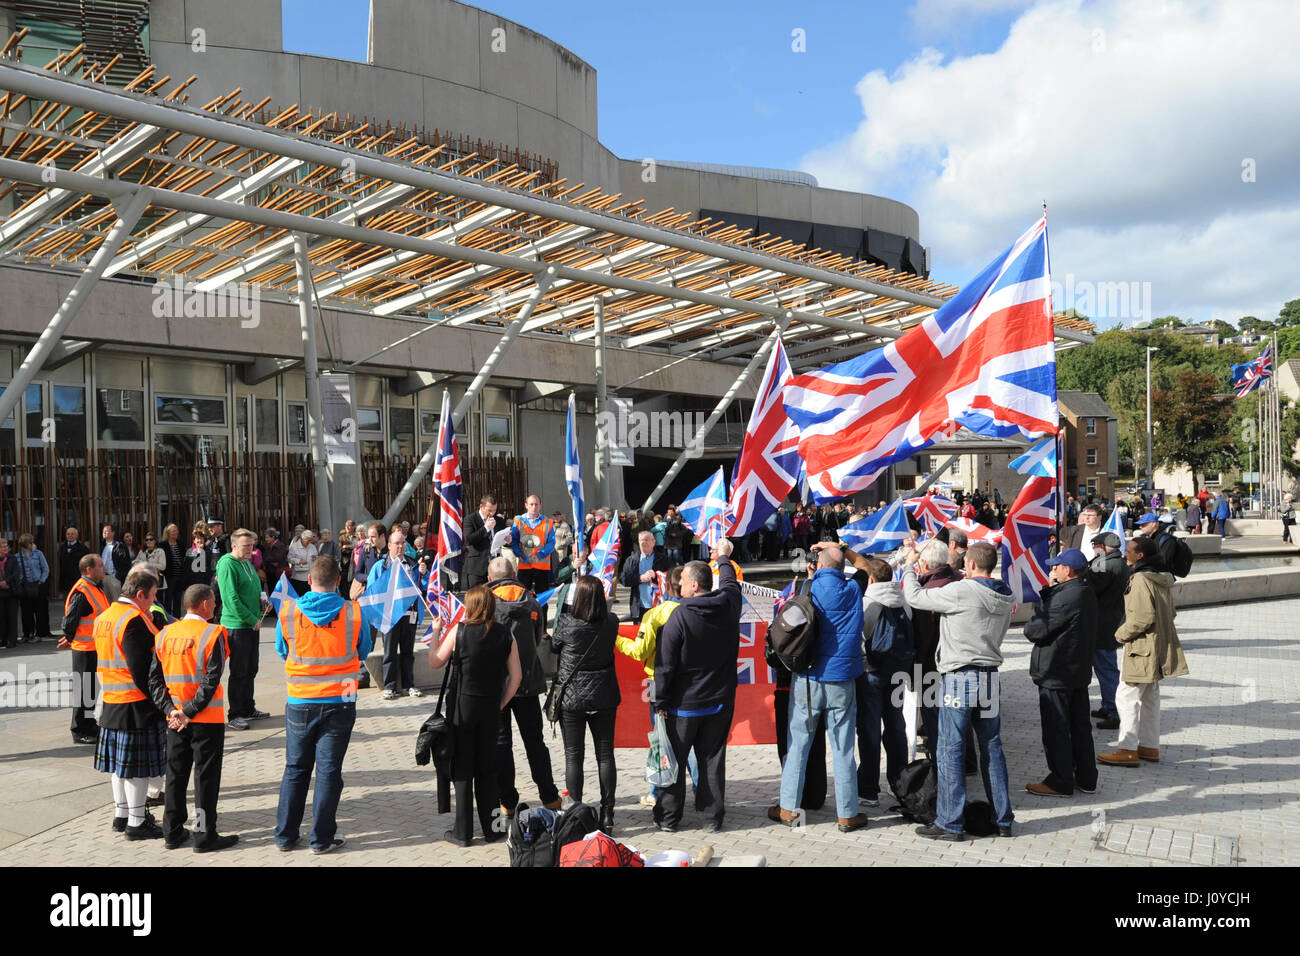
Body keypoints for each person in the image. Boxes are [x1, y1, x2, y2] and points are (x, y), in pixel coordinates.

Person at [902, 541, 1015, 841]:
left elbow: (915, 596)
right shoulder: (1004, 594)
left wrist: (909, 566)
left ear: (973, 566)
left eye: (965, 564)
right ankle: (1003, 818)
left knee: (950, 749)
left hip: (961, 677)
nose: (962, 568)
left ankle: (950, 823)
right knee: (992, 748)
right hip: (990, 677)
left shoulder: (963, 590)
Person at [768, 544, 870, 833]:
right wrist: (843, 549)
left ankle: (789, 809)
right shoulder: (853, 589)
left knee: (798, 744)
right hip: (843, 681)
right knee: (843, 748)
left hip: (810, 680)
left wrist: (817, 569)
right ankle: (847, 814)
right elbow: (865, 568)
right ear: (841, 568)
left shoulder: (809, 589)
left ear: (818, 564)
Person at [274, 555, 369, 854]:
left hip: (300, 700)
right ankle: (321, 839)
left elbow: (280, 650)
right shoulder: (353, 612)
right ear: (338, 581)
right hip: (340, 701)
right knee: (328, 772)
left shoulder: (288, 611)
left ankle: (286, 836)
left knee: (295, 769)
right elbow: (364, 649)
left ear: (310, 580)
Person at [652, 558, 741, 833]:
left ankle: (668, 818)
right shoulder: (727, 605)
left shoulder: (679, 616)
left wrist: (661, 702)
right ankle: (713, 817)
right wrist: (724, 558)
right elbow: (730, 584)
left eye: (682, 580)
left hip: (684, 707)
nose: (678, 584)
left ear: (694, 584)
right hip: (719, 702)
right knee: (713, 760)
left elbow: (665, 666)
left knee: (674, 762)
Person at [147, 584, 239, 852]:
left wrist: (171, 711)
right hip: (205, 719)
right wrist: (188, 711)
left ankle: (173, 832)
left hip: (174, 720)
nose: (215, 606)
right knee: (205, 779)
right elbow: (212, 680)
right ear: (204, 604)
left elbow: (154, 679)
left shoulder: (164, 634)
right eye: (213, 602)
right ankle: (203, 835)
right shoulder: (213, 633)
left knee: (175, 775)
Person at [428, 585, 522, 846]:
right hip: (490, 707)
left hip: (462, 706)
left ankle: (463, 833)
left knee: (462, 768)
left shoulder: (459, 631)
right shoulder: (506, 635)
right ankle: (493, 829)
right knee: (488, 769)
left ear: (470, 607)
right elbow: (516, 677)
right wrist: (500, 703)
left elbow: (435, 661)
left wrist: (436, 632)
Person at [1098, 536, 1189, 768]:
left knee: (1127, 697)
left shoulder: (1139, 579)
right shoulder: (1162, 577)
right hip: (1158, 645)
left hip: (1142, 648)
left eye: (1129, 550)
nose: (1125, 553)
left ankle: (1127, 749)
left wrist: (1119, 635)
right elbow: (1170, 613)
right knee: (1150, 698)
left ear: (1140, 556)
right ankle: (1149, 746)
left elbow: (1141, 618)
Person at [93, 566, 167, 840]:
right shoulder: (133, 620)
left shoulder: (107, 616)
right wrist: (160, 701)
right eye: (153, 595)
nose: (154, 601)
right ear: (140, 594)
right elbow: (141, 669)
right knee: (136, 768)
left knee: (119, 766)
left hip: (111, 697)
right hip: (135, 701)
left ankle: (121, 814)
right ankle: (137, 822)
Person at [484, 556, 561, 814]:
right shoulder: (531, 599)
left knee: (502, 743)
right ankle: (549, 796)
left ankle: (507, 800)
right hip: (528, 680)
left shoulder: (485, 602)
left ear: (489, 578)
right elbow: (538, 634)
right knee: (534, 741)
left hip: (498, 684)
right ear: (514, 574)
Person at [1022, 549, 1099, 798]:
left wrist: (1046, 595)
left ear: (1067, 571)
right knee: (1079, 727)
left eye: (1056, 567)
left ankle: (1060, 780)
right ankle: (1086, 777)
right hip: (1076, 670)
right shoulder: (1085, 590)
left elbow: (1035, 630)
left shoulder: (1066, 597)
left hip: (1057, 671)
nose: (1052, 570)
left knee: (1057, 728)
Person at [549, 574, 622, 833]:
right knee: (605, 755)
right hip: (603, 695)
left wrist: (567, 610)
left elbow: (554, 646)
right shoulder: (611, 622)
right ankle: (608, 813)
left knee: (573, 756)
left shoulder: (568, 623)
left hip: (573, 698)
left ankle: (576, 814)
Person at [857, 556, 912, 809]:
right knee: (896, 726)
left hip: (872, 674)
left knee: (869, 731)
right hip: (898, 673)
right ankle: (900, 783)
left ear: (870, 579)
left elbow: (859, 639)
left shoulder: (868, 603)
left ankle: (868, 789)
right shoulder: (905, 603)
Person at [215, 529, 270, 731]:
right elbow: (231, 599)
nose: (251, 549)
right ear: (234, 545)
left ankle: (248, 707)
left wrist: (263, 604)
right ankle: (235, 713)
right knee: (239, 671)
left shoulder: (247, 562)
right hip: (236, 626)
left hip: (251, 623)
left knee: (251, 668)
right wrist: (250, 618)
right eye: (246, 545)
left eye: (252, 545)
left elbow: (254, 589)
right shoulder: (227, 564)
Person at [59, 553, 111, 744]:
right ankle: (79, 729)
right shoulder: (82, 591)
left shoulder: (95, 587)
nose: (104, 568)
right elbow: (69, 621)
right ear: (89, 569)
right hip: (85, 649)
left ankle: (89, 726)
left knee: (91, 691)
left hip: (94, 647)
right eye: (100, 565)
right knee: (84, 691)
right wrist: (70, 638)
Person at [370, 528, 423, 700]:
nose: (400, 547)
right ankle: (389, 686)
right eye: (397, 543)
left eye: (403, 543)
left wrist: (424, 573)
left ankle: (409, 685)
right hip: (389, 615)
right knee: (389, 651)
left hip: (410, 613)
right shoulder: (381, 565)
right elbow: (373, 591)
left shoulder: (412, 564)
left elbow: (423, 587)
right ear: (389, 545)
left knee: (408, 651)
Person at [1086, 531, 1129, 730]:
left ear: (1103, 547)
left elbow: (1090, 587)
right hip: (1111, 619)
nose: (1093, 549)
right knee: (1105, 666)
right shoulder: (1118, 562)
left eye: (1095, 545)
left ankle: (1114, 711)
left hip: (1101, 623)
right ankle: (1107, 705)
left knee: (1106, 668)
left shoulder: (1103, 564)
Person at [620, 531, 673, 623]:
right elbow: (624, 579)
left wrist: (656, 576)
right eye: (641, 540)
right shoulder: (632, 560)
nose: (644, 542)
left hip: (658, 606)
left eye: (647, 540)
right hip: (639, 607)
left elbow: (672, 577)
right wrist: (640, 578)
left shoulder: (663, 559)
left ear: (654, 542)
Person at [511, 493, 556, 595]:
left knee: (542, 598)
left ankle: (542, 612)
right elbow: (513, 541)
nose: (534, 507)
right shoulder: (518, 521)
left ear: (540, 505)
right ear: (526, 505)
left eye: (536, 504)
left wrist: (539, 555)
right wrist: (520, 554)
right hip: (524, 565)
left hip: (542, 566)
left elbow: (552, 543)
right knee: (523, 597)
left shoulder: (548, 522)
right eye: (531, 504)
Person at [13, 533, 50, 642]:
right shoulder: (17, 556)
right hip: (25, 586)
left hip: (37, 585)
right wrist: (20, 582)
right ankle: (27, 634)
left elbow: (45, 568)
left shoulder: (38, 554)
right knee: (26, 611)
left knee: (39, 611)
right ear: (25, 544)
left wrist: (41, 580)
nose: (32, 544)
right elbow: (16, 572)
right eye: (30, 542)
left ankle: (38, 634)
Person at [463, 495, 499, 589]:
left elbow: (502, 540)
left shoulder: (498, 520)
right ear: (481, 507)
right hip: (477, 567)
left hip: (495, 566)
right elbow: (469, 540)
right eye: (489, 510)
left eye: (494, 510)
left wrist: (507, 539)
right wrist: (486, 528)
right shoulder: (470, 519)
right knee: (477, 599)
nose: (492, 513)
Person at [58, 527, 90, 600]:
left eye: (72, 534)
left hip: (77, 580)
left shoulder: (83, 548)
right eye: (68, 534)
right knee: (67, 602)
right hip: (65, 581)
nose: (70, 536)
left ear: (77, 536)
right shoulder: (62, 548)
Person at [287, 529, 318, 597]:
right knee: (299, 597)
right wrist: (298, 561)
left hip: (310, 577)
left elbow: (316, 556)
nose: (309, 542)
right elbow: (289, 558)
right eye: (307, 540)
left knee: (309, 597)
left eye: (310, 540)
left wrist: (315, 558)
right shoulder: (294, 547)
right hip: (298, 577)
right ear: (302, 538)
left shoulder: (312, 547)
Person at [0, 539, 17, 649]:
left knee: (12, 616)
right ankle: (3, 639)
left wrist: (6, 582)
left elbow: (16, 573)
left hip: (11, 591)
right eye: (3, 547)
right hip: (0, 592)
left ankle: (12, 640)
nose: (6, 548)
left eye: (6, 546)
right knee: (1, 616)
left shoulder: (12, 558)